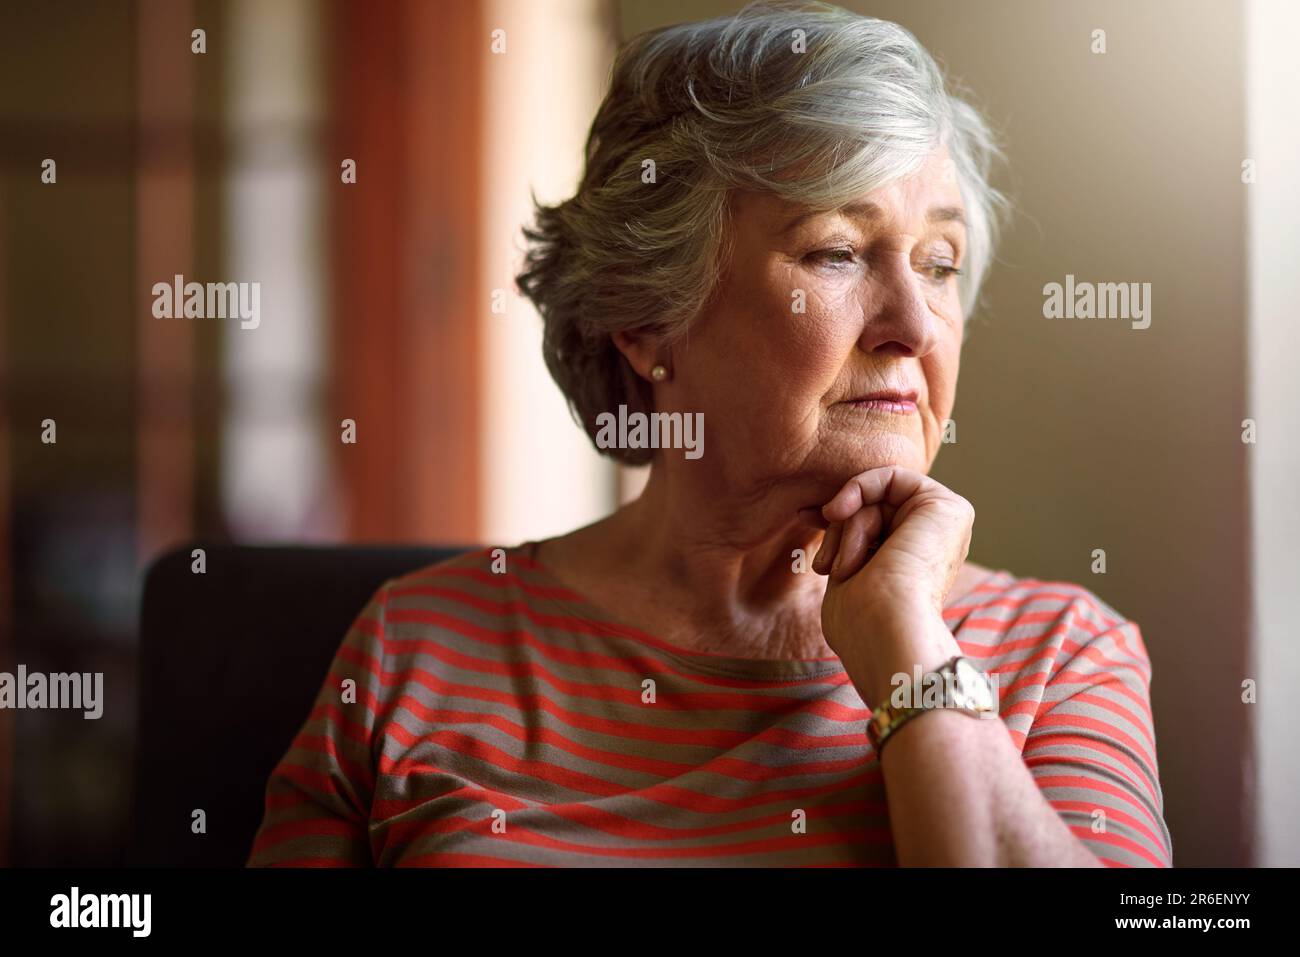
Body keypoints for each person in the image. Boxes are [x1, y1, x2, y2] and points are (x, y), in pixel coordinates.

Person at [249, 0, 1172, 867]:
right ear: (648, 318)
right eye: (837, 251)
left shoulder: (1062, 655)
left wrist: (908, 650)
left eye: (940, 263)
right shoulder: (420, 646)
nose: (916, 325)